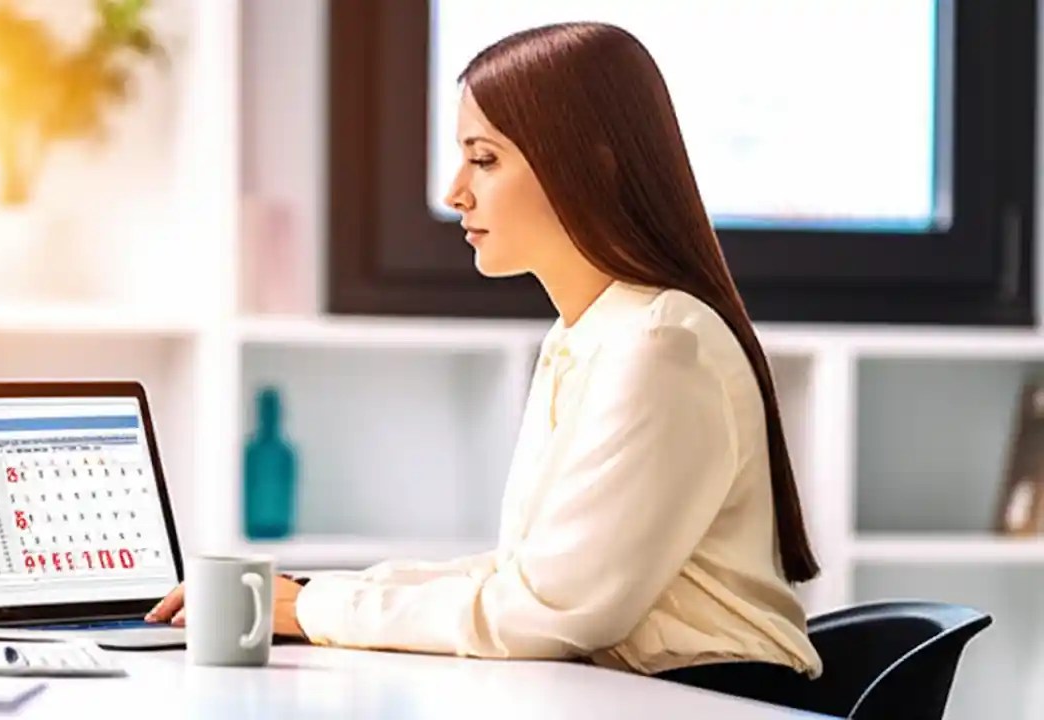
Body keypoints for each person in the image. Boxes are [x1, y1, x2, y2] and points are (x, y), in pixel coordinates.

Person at [148, 21, 823, 679]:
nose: (454, 192)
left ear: (590, 163)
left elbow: (549, 614)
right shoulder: (586, 339)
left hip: (719, 700)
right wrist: (314, 592)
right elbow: (524, 576)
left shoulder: (661, 347)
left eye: (484, 159)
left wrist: (314, 606)